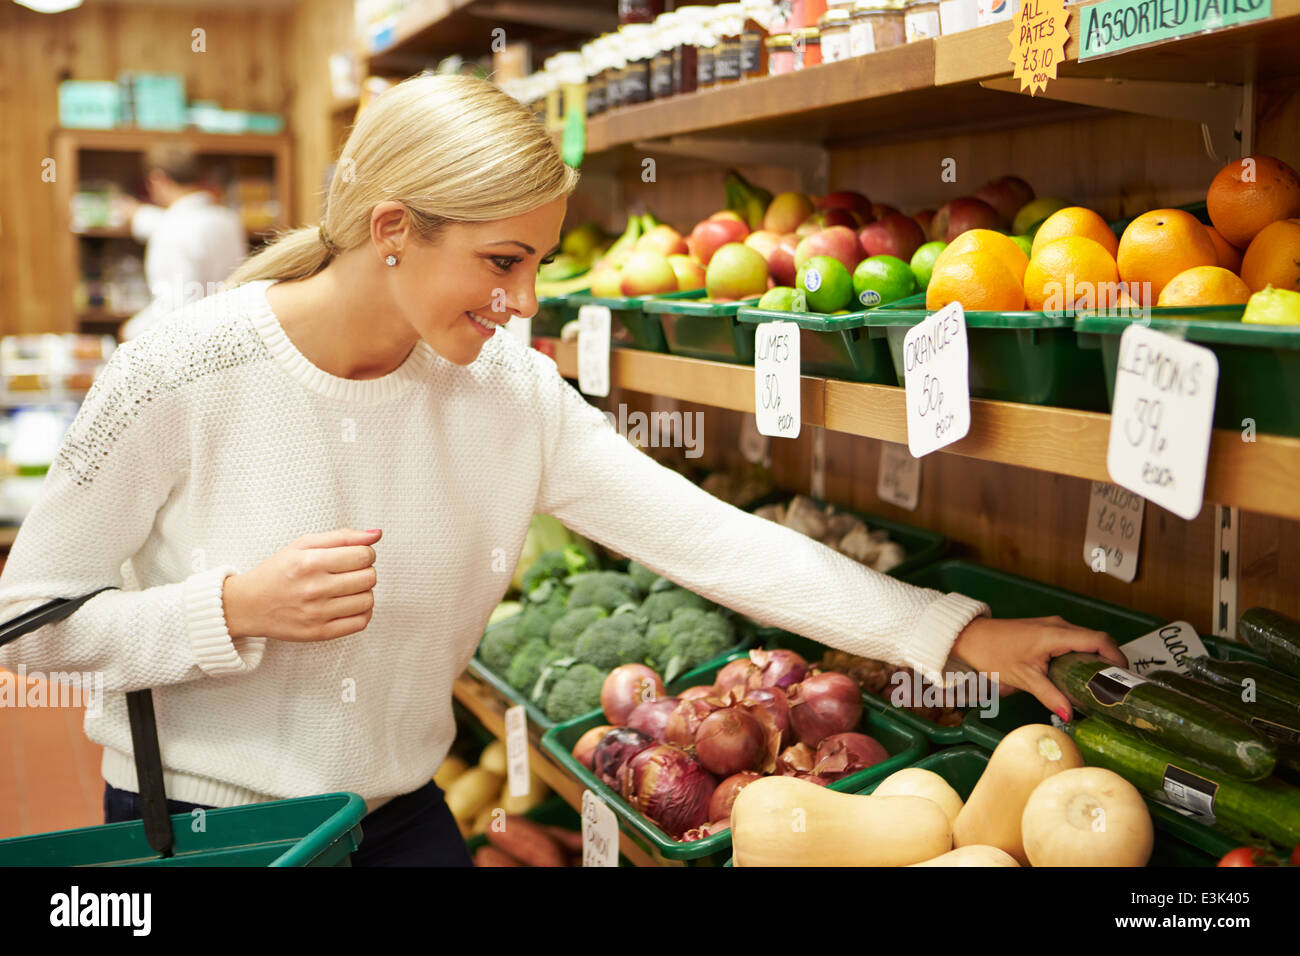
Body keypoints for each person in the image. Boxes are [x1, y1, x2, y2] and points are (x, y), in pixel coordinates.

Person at [0, 74, 1123, 866]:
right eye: (502, 260)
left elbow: (711, 536)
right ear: (392, 227)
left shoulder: (508, 393)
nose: (525, 301)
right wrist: (228, 607)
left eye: (536, 260)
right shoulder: (182, 367)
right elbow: (28, 622)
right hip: (202, 830)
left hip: (395, 822)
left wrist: (955, 631)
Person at [115, 143, 247, 341]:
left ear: (157, 179)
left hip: (189, 345)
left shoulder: (171, 230)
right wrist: (137, 214)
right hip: (227, 336)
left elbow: (174, 308)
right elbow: (184, 225)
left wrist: (129, 332)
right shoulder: (227, 220)